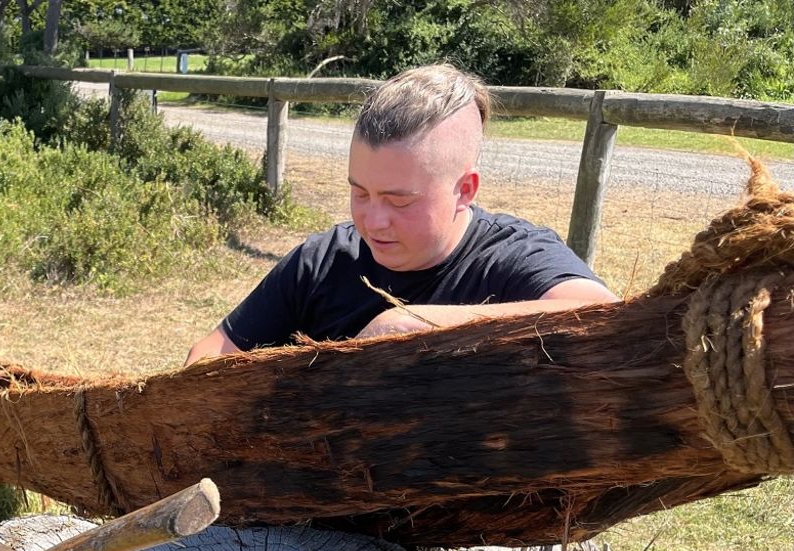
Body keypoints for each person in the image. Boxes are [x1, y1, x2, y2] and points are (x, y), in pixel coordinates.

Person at [186, 63, 618, 366]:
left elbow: (606, 319)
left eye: (399, 200)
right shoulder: (320, 262)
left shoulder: (512, 258)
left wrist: (413, 324)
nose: (373, 221)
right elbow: (213, 352)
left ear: (464, 190)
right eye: (360, 192)